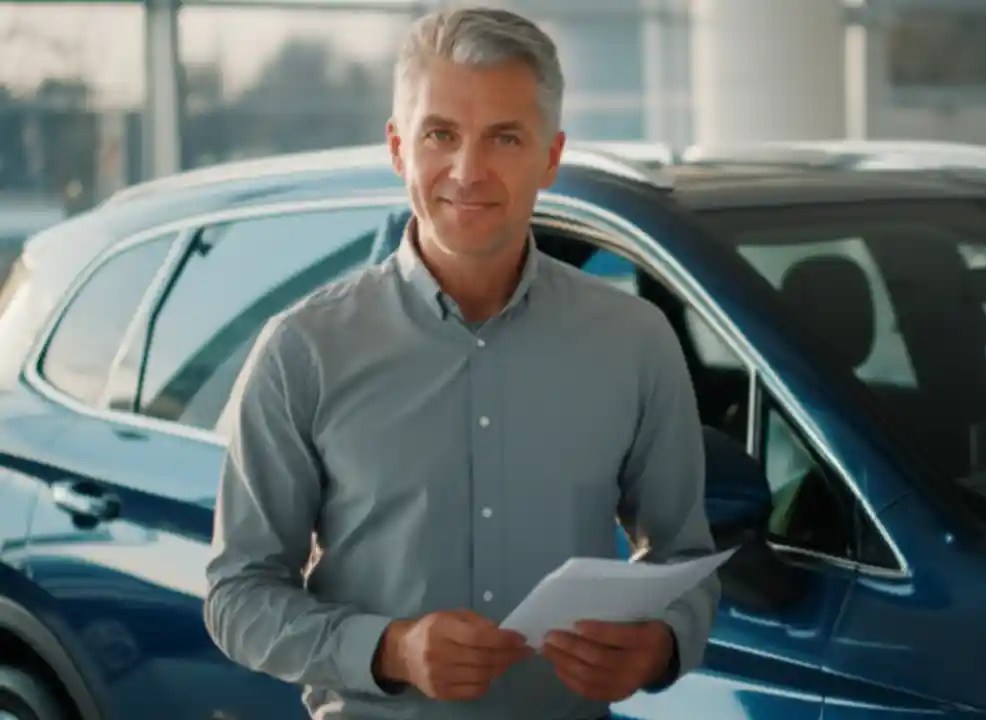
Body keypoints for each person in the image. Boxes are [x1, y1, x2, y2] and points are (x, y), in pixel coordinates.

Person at [203, 6, 720, 720]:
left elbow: (683, 558)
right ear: (397, 147)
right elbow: (237, 597)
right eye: (440, 134)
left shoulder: (634, 340)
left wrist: (662, 644)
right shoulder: (304, 349)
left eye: (504, 137)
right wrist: (389, 649)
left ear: (550, 155)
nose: (468, 171)